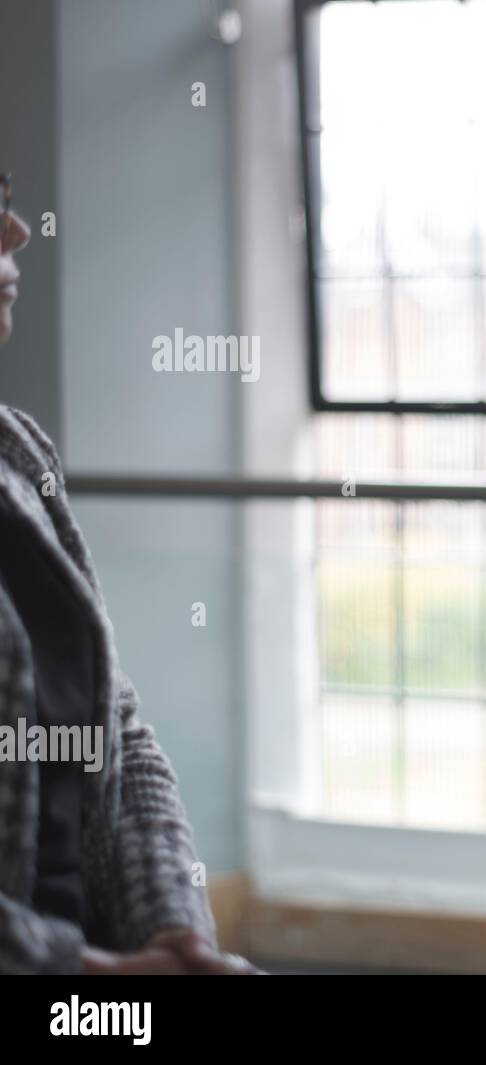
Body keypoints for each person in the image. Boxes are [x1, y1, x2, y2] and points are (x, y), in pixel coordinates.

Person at [0, 172, 252, 974]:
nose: (15, 230)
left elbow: (118, 726)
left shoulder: (18, 450)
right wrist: (95, 977)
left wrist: (174, 932)